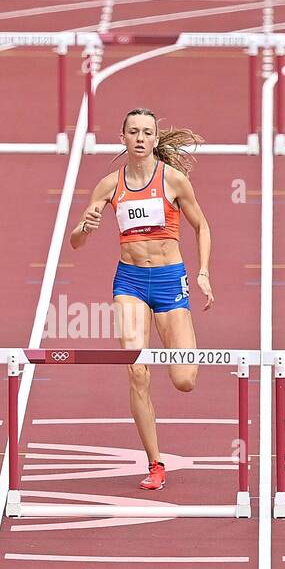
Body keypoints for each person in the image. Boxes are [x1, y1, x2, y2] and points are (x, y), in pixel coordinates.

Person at [69, 108, 215, 490]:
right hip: (130, 282)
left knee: (184, 379)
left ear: (154, 139)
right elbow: (76, 240)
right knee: (136, 372)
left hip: (170, 281)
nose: (139, 138)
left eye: (146, 132)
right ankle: (155, 463)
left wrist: (202, 272)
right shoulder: (108, 186)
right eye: (132, 132)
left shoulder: (174, 181)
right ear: (122, 138)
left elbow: (202, 226)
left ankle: (183, 336)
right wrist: (85, 228)